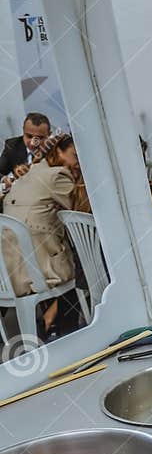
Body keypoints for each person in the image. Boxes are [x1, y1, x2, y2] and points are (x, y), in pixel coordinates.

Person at [2, 133, 81, 336]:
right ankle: (70, 334)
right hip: (39, 272)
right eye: (74, 155)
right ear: (58, 151)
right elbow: (81, 210)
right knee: (84, 267)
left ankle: (50, 323)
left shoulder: (25, 175)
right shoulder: (57, 176)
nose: (78, 162)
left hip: (11, 275)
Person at [0, 112, 50, 194]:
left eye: (40, 138)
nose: (33, 142)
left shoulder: (57, 150)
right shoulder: (12, 145)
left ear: (49, 135)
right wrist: (4, 180)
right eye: (29, 136)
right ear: (23, 131)